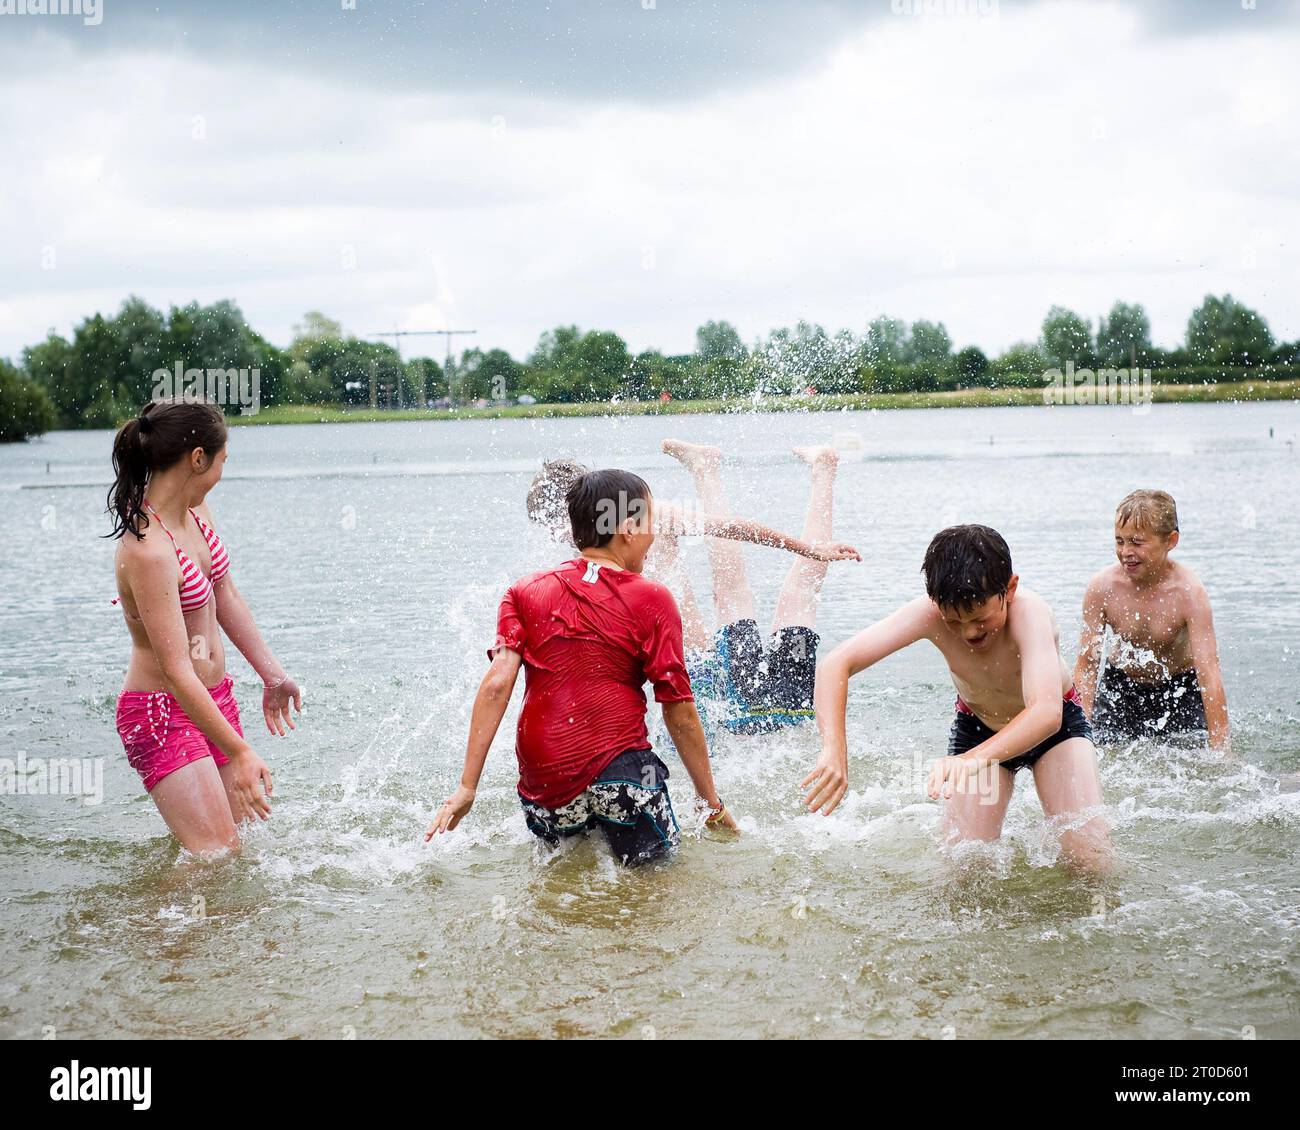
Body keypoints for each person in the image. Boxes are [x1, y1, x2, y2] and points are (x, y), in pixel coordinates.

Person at [425, 468, 738, 866]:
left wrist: (467, 786)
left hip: (544, 784)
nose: (653, 536)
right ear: (627, 529)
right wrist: (709, 800)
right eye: (649, 523)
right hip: (626, 777)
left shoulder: (523, 591)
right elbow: (679, 708)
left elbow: (496, 685)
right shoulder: (652, 599)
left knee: (567, 882)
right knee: (660, 887)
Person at [805, 525, 1112, 874]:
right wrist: (834, 747)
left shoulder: (1031, 614)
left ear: (1009, 589)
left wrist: (969, 761)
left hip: (1056, 736)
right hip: (980, 728)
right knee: (964, 866)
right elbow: (835, 665)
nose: (969, 632)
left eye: (981, 619)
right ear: (937, 603)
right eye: (954, 622)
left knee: (1090, 860)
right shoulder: (928, 613)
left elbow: (1045, 713)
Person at [524, 443, 860, 736]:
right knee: (755, 592)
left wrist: (808, 549)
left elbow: (730, 528)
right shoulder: (607, 544)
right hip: (724, 681)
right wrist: (808, 549)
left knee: (742, 590)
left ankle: (708, 469)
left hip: (707, 679)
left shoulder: (633, 526)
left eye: (555, 525)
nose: (556, 536)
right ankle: (722, 469)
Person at [108, 399, 301, 855]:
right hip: (162, 712)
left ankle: (212, 927)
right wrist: (240, 751)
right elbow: (176, 670)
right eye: (221, 462)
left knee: (241, 851)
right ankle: (136, 926)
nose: (221, 474)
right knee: (215, 854)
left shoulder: (197, 512)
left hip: (213, 699)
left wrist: (272, 674)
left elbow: (225, 595)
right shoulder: (147, 550)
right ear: (198, 458)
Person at [658, 439, 849, 735]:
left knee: (800, 591)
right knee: (740, 590)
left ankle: (824, 470)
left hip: (785, 705)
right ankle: (822, 470)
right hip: (770, 714)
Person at [1074, 489, 1230, 752]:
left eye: (1137, 542)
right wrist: (1079, 733)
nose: (1126, 552)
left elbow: (1209, 672)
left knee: (1194, 762)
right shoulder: (1102, 588)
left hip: (1179, 691)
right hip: (1120, 690)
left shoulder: (1189, 593)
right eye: (1119, 541)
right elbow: (1087, 665)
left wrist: (1222, 748)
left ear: (1170, 541)